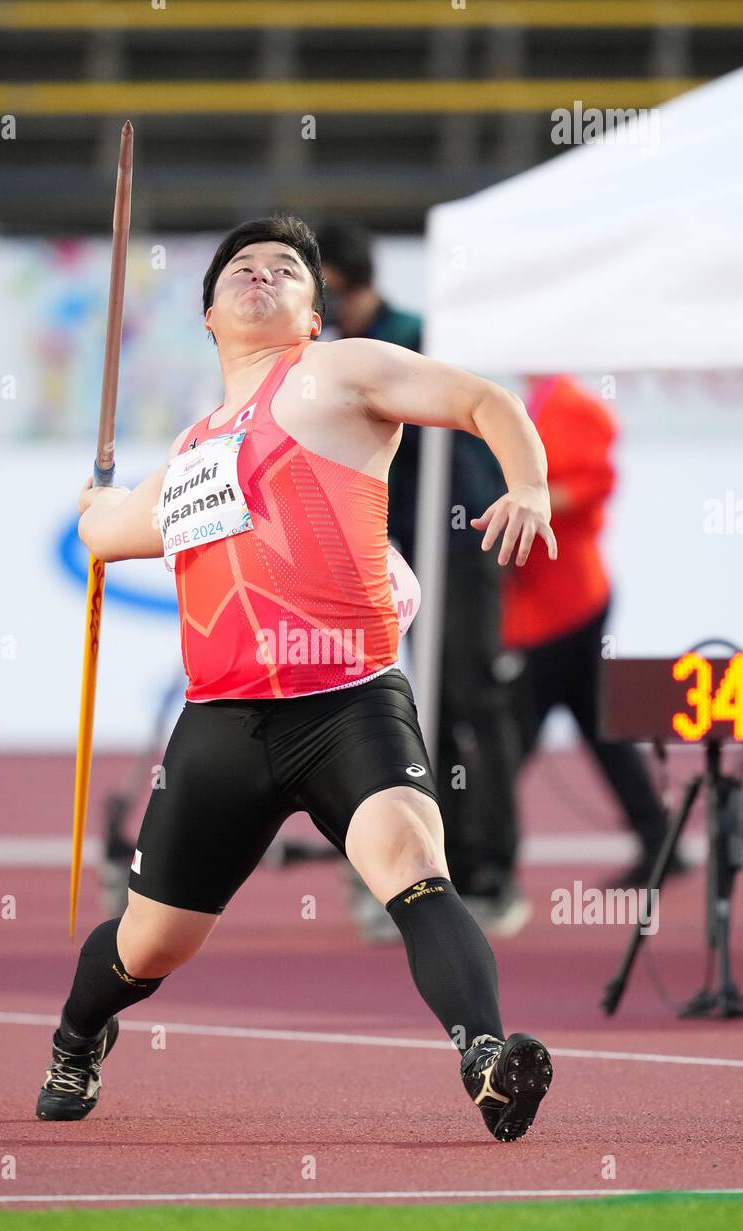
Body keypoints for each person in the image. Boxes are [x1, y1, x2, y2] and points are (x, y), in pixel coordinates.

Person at [35, 215, 556, 1143]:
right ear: (207, 317)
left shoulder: (341, 373)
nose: (263, 274)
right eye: (242, 266)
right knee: (152, 944)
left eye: (287, 269)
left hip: (349, 703)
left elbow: (485, 402)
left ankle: (485, 1058)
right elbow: (113, 535)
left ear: (316, 316)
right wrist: (94, 507)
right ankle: (79, 1034)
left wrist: (528, 486)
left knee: (413, 861)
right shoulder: (193, 454)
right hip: (225, 728)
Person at [317, 221, 527, 936]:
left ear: (353, 282)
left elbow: (468, 416)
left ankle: (492, 870)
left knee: (475, 702)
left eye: (330, 293)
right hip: (408, 553)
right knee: (426, 706)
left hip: (460, 543)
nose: (324, 310)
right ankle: (442, 868)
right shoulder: (339, 354)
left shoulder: (409, 339)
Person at [504, 374, 682, 887]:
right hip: (547, 599)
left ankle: (469, 846)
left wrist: (532, 500)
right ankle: (657, 836)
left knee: (516, 731)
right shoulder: (531, 404)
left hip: (567, 600)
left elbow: (595, 482)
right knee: (596, 725)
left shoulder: (571, 407)